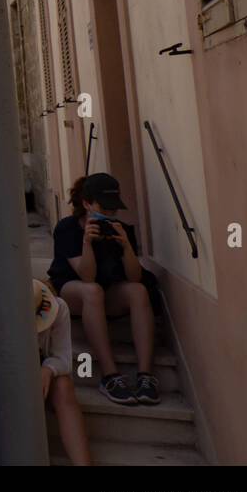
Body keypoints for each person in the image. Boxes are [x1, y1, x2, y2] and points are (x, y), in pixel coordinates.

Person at [47, 173, 159, 407]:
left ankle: (145, 376)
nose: (109, 213)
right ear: (87, 203)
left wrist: (126, 246)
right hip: (73, 291)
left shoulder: (122, 229)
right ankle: (109, 375)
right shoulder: (67, 229)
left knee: (138, 291)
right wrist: (87, 242)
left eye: (113, 208)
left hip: (108, 291)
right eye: (104, 207)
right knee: (93, 291)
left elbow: (134, 277)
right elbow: (86, 276)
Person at [0, 279, 92, 466]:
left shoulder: (59, 309)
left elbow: (64, 358)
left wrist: (48, 370)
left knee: (64, 386)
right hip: (11, 378)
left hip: (44, 380)